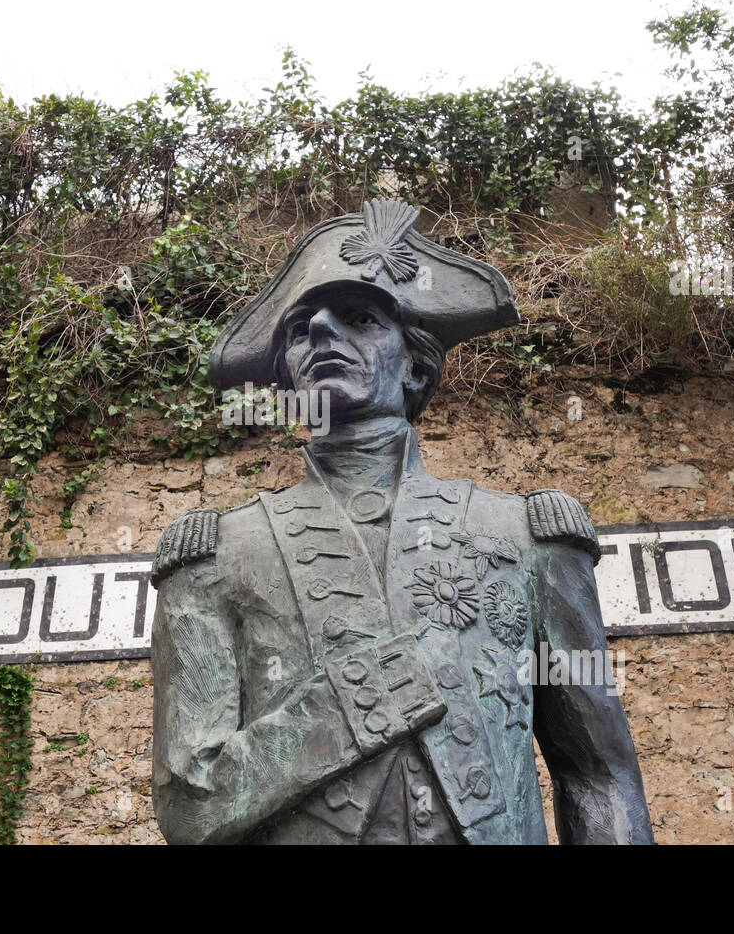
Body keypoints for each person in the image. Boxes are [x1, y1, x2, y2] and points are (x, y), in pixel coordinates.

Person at [150, 198, 653, 844]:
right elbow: (192, 803)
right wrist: (359, 704)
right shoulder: (214, 559)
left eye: (360, 318)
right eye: (301, 331)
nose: (324, 333)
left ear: (415, 361)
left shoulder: (527, 539)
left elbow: (597, 771)